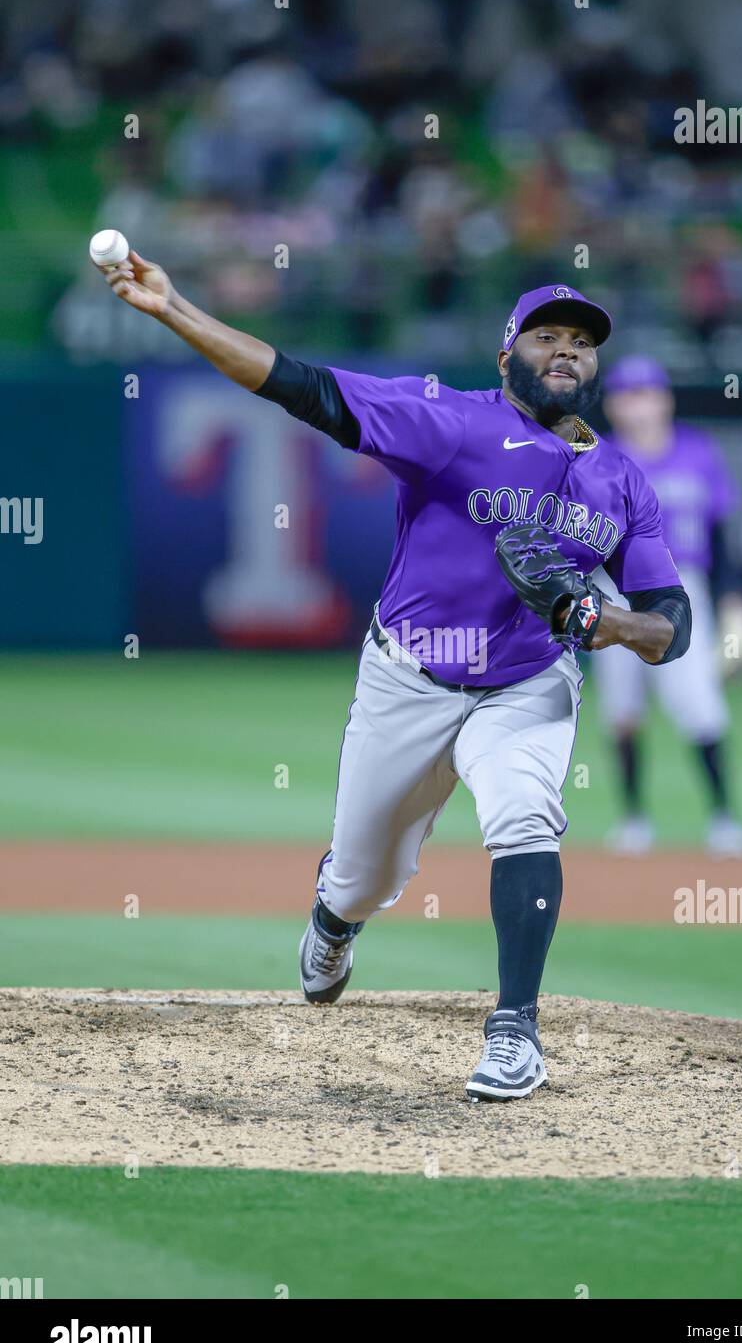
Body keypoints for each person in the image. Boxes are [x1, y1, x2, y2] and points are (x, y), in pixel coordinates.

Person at [96, 252, 691, 1100]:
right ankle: (335, 921)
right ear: (505, 357)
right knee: (364, 878)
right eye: (546, 336)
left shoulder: (622, 480)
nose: (566, 351)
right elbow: (296, 384)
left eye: (581, 342)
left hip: (526, 682)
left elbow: (671, 624)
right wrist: (175, 310)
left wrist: (603, 621)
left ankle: (515, 1031)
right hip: (408, 677)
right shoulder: (449, 422)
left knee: (526, 816)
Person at [594, 355, 742, 856]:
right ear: (613, 405)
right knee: (622, 710)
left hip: (683, 587)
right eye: (628, 394)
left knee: (698, 703)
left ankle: (724, 818)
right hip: (615, 588)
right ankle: (634, 819)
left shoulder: (698, 452)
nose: (639, 404)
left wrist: (736, 599)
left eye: (647, 393)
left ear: (665, 399)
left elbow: (720, 535)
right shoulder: (598, 459)